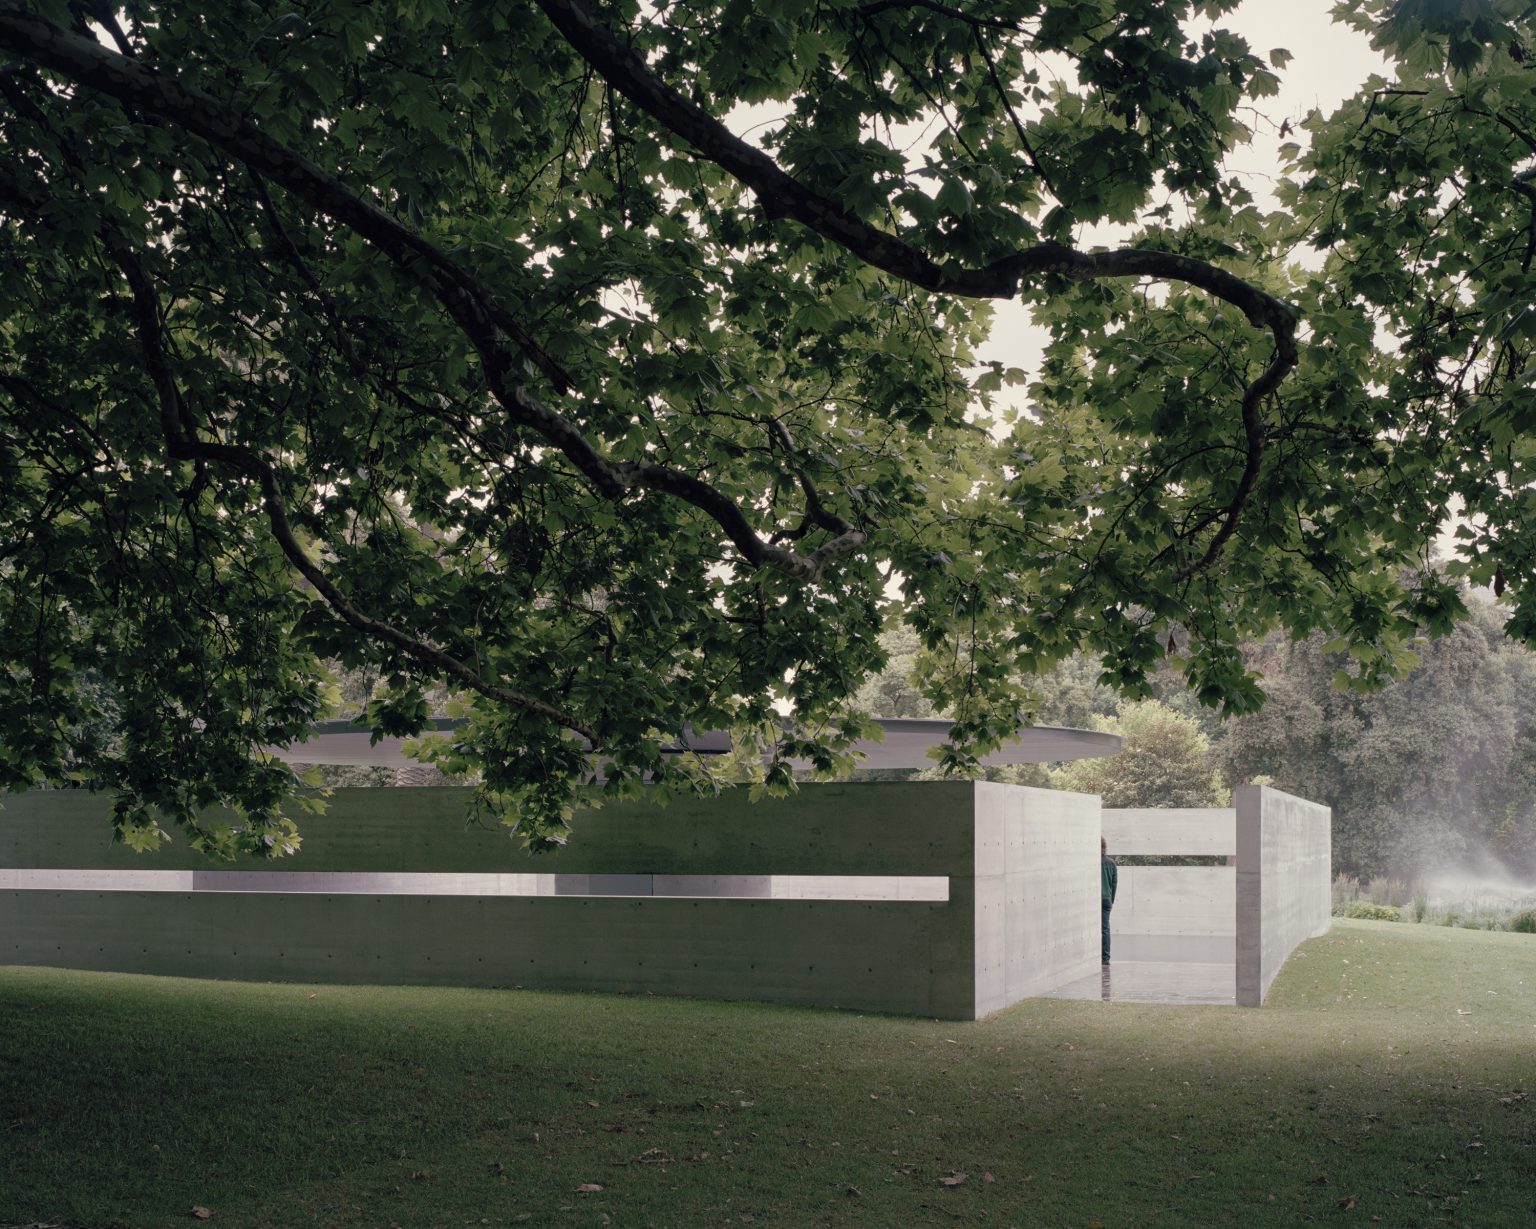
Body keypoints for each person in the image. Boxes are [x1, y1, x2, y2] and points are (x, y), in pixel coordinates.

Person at [1101, 836, 1117, 965]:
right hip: (1106, 899)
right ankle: (1105, 958)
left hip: (1095, 899)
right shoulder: (1111, 863)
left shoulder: (1093, 862)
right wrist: (1111, 900)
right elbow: (1114, 883)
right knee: (1105, 929)